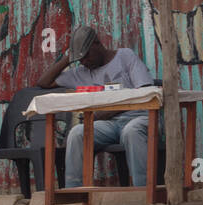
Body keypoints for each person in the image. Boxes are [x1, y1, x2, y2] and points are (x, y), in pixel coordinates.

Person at [38, 25, 156, 188]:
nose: (85, 62)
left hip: (138, 118)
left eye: (86, 56)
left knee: (132, 131)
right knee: (78, 133)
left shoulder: (125, 56)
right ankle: (75, 194)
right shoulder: (81, 72)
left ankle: (144, 192)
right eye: (80, 60)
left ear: (97, 44)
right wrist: (69, 56)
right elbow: (44, 82)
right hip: (109, 125)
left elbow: (145, 92)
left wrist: (108, 111)